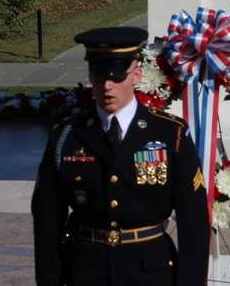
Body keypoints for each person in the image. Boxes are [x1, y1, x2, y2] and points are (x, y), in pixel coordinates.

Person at [32, 27, 210, 286]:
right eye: (99, 75)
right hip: (86, 271)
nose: (107, 86)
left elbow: (193, 222)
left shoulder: (170, 134)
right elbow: (47, 221)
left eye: (116, 76)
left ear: (137, 74)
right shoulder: (67, 136)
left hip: (151, 273)